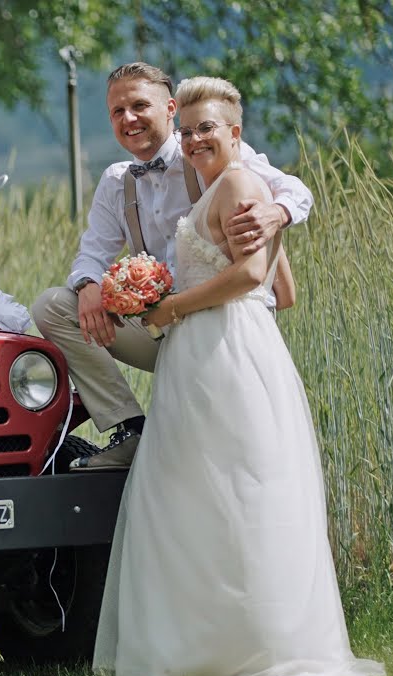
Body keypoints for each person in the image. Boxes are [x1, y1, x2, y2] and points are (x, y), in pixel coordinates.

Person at [91, 75, 385, 676]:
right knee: (198, 493)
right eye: (192, 130)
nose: (197, 139)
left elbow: (250, 270)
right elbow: (284, 288)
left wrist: (173, 308)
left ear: (234, 133)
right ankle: (210, 639)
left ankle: (257, 643)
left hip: (222, 344)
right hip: (207, 345)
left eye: (206, 129)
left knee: (241, 487)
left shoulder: (246, 182)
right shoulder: (204, 184)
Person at [31, 62, 314, 470]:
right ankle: (130, 428)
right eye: (116, 111)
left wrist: (278, 213)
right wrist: (89, 283)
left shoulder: (206, 152)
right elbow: (91, 252)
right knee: (53, 305)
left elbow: (293, 188)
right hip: (158, 327)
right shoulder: (116, 181)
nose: (128, 119)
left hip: (217, 323)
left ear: (170, 109)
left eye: (139, 106)